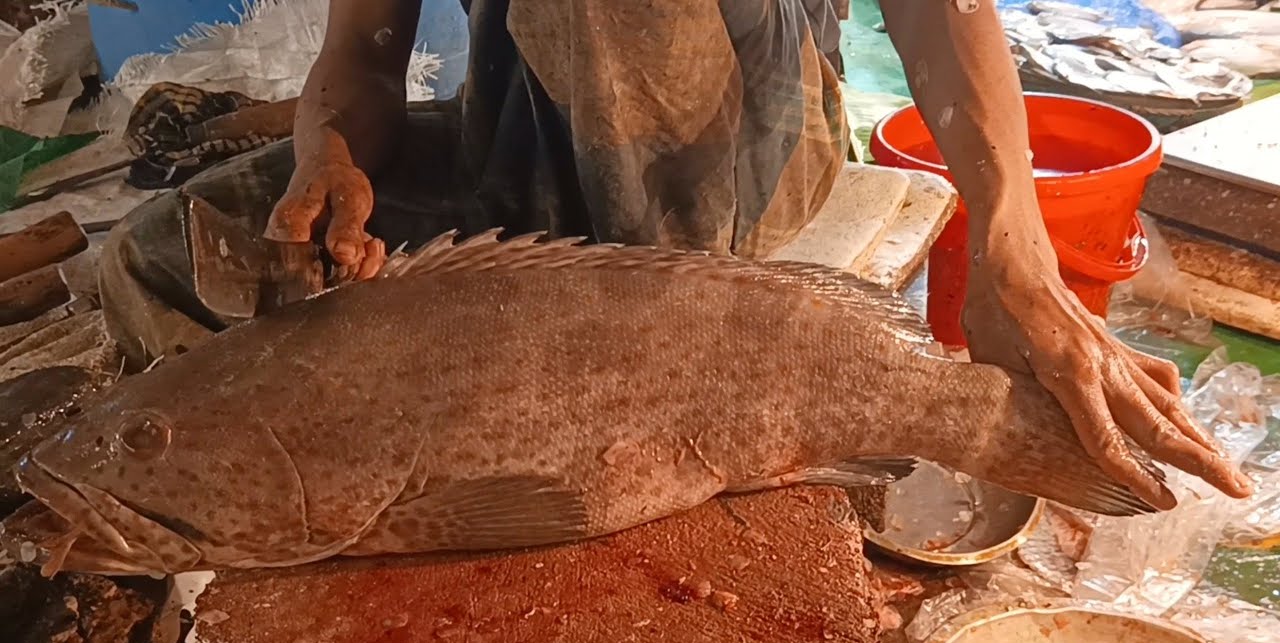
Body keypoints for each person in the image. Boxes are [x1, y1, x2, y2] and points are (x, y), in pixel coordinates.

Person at [96, 0, 1250, 508]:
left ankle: (669, 334)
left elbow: (942, 14)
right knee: (153, 254)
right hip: (522, 156)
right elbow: (360, 50)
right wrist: (328, 162)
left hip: (745, 167)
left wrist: (1015, 255)